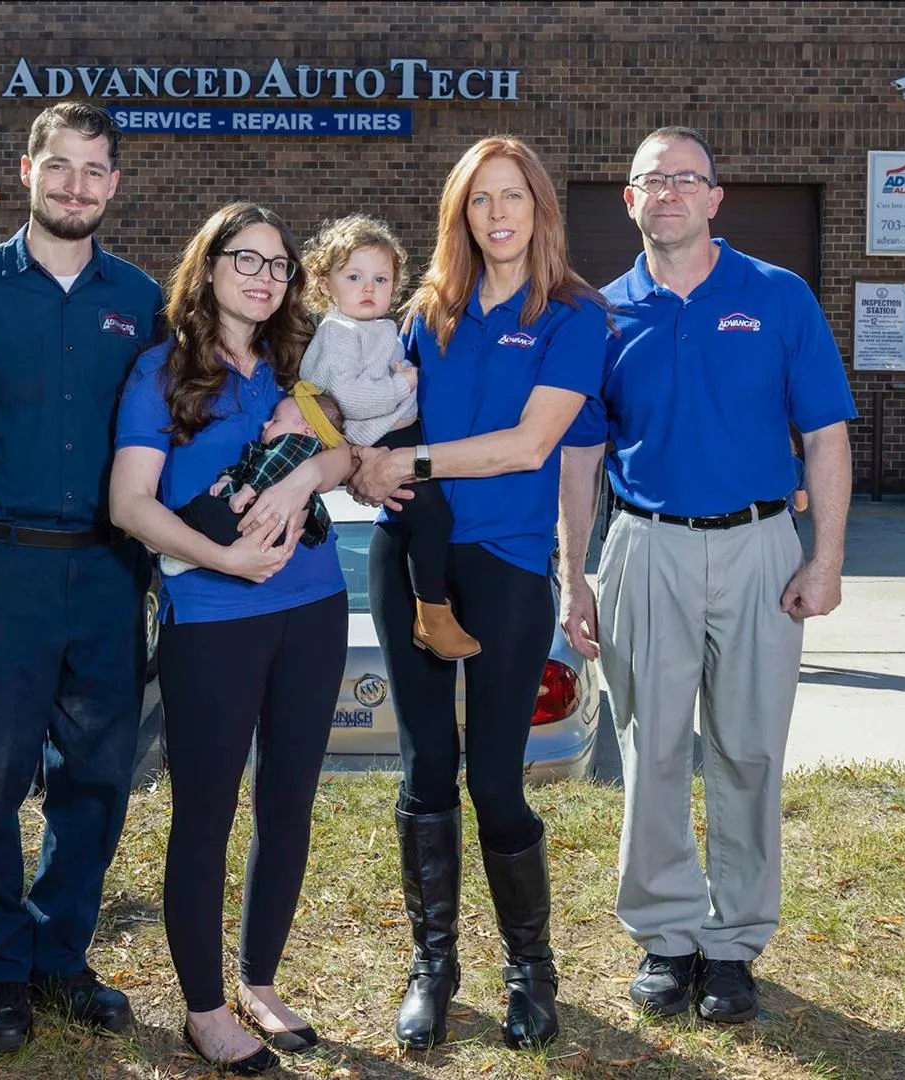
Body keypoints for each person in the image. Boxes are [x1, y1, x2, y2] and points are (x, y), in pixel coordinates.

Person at [556, 126, 855, 1025]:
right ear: (630, 200)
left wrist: (826, 558)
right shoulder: (600, 314)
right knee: (649, 747)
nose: (670, 194)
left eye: (688, 179)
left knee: (749, 745)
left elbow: (826, 437)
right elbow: (579, 456)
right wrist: (573, 575)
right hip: (645, 546)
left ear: (715, 198)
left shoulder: (778, 296)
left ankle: (732, 943)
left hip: (763, 545)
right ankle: (665, 934)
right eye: (653, 180)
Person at [0, 103, 161, 1051]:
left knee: (95, 777)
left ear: (114, 186)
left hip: (105, 570)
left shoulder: (140, 301)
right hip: (1, 570)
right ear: (26, 170)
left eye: (95, 171)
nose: (76, 187)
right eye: (62, 168)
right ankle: (1, 970)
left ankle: (60, 958)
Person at [348, 136, 608, 1051]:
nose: (497, 216)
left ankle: (528, 967)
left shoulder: (575, 316)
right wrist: (354, 468)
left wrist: (406, 461)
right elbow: (365, 413)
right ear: (459, 215)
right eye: (479, 201)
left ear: (540, 208)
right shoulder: (425, 312)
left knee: (496, 778)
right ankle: (432, 965)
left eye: (513, 198)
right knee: (423, 769)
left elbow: (529, 446)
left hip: (502, 564)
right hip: (408, 555)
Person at [109, 202, 355, 1075]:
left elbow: (348, 454)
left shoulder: (297, 367)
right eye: (245, 259)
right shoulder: (160, 372)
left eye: (278, 265)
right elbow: (130, 504)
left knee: (288, 802)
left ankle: (258, 980)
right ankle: (205, 1009)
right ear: (207, 267)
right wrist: (222, 556)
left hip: (315, 605)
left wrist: (306, 480)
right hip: (212, 620)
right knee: (205, 815)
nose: (263, 276)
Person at [300, 215, 478, 660]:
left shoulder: (374, 328)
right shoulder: (339, 334)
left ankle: (433, 604)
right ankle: (431, 616)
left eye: (380, 279)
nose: (368, 288)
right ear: (325, 285)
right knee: (434, 520)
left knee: (424, 520)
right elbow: (352, 400)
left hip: (399, 434)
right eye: (354, 276)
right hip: (385, 443)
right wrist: (403, 385)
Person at [158, 384, 345, 577]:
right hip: (260, 530)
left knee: (202, 507)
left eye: (276, 421)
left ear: (306, 431)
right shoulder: (266, 452)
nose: (265, 424)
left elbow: (271, 469)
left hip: (264, 530)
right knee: (205, 511)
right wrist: (227, 478)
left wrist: (247, 490)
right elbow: (247, 468)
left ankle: (176, 542)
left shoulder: (298, 446)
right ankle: (180, 545)